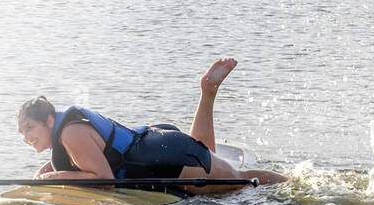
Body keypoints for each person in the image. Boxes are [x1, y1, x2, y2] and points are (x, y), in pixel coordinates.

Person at [16, 58, 287, 195]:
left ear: (49, 121)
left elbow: (105, 180)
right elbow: (95, 158)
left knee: (239, 179)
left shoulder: (71, 133)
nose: (26, 137)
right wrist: (56, 169)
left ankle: (297, 183)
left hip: (167, 157)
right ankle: (208, 92)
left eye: (30, 128)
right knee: (205, 155)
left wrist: (55, 178)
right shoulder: (69, 132)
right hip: (161, 147)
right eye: (22, 132)